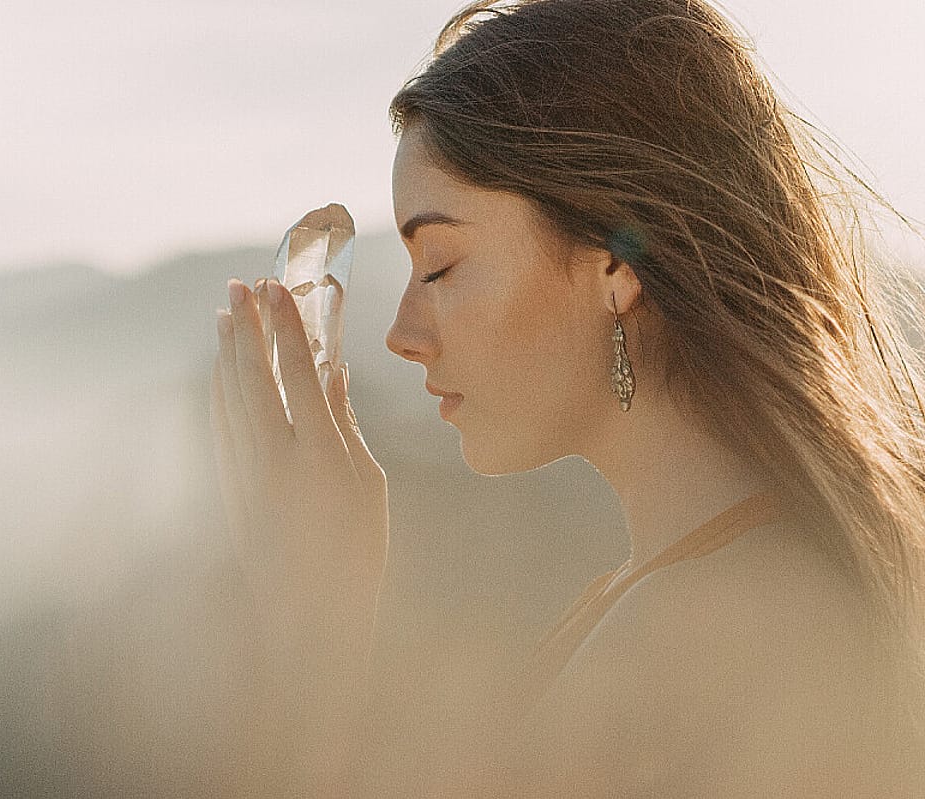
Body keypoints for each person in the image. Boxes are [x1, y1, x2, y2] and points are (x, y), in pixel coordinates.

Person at [209, 0, 925, 795]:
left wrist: (319, 630)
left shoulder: (720, 633)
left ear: (616, 261)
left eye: (439, 265)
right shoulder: (680, 588)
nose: (403, 333)